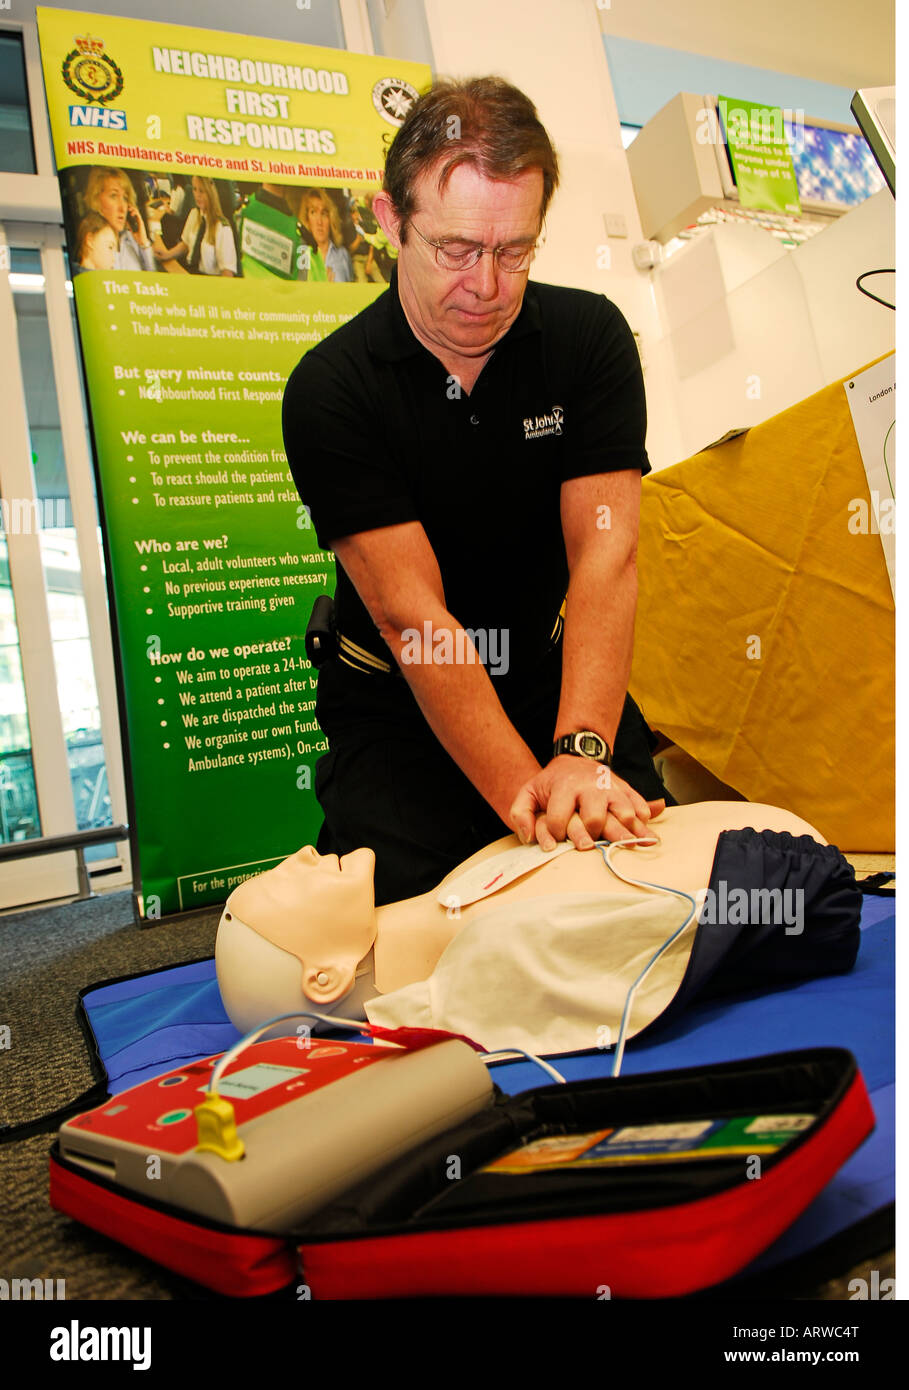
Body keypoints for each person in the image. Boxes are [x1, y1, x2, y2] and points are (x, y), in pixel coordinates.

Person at [282, 77, 675, 907]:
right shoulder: (333, 389)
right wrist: (530, 805)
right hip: (397, 701)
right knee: (413, 943)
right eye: (457, 249)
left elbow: (606, 553)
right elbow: (411, 618)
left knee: (650, 894)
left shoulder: (588, 341)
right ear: (392, 222)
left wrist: (582, 752)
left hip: (550, 677)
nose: (487, 286)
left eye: (514, 251)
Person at [215, 800, 862, 1051]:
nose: (297, 857)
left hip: (769, 858)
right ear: (324, 977)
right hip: (788, 875)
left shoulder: (452, 898)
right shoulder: (496, 959)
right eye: (281, 887)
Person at [152, 175, 237, 276]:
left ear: (212, 193)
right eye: (195, 189)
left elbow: (227, 273)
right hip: (189, 271)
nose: (197, 195)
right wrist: (167, 254)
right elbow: (185, 245)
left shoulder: (222, 228)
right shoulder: (194, 214)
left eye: (201, 191)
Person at [82, 167, 157, 271]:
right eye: (113, 196)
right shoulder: (95, 242)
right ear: (96, 199)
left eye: (125, 198)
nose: (122, 208)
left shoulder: (130, 238)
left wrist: (144, 244)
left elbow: (154, 282)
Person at [298, 187, 354, 282]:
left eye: (324, 213)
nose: (319, 222)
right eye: (313, 212)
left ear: (331, 219)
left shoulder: (343, 255)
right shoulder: (301, 255)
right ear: (307, 219)